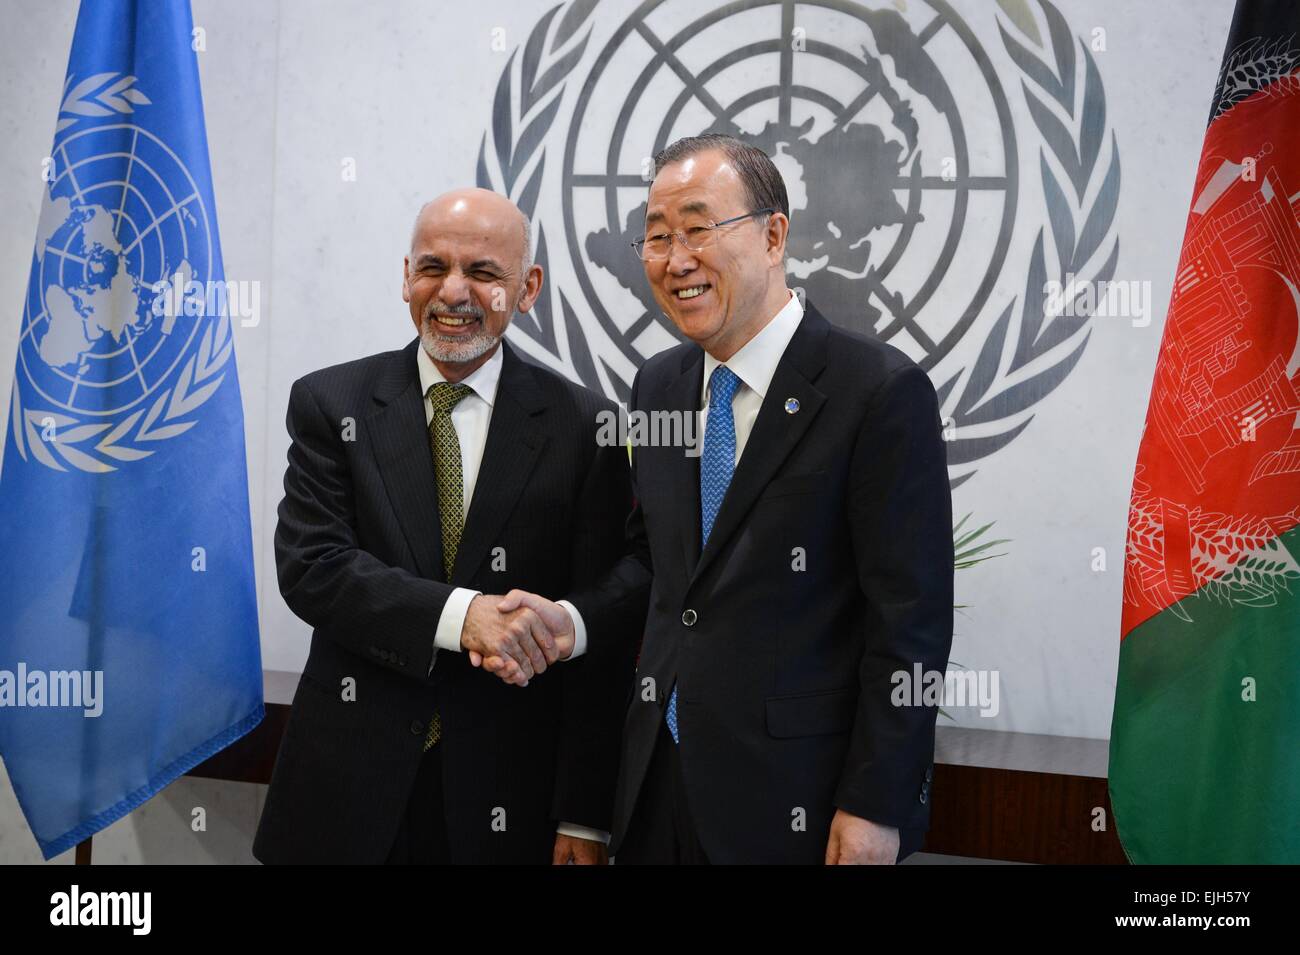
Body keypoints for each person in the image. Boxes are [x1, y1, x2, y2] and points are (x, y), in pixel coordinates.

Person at [502, 134, 954, 864]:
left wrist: (875, 802)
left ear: (773, 235)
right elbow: (662, 565)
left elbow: (912, 624)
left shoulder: (877, 391)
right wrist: (576, 622)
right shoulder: (659, 385)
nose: (675, 259)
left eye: (698, 228)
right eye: (656, 236)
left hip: (795, 798)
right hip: (655, 785)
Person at [252, 188, 638, 864]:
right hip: (344, 794)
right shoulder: (330, 403)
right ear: (407, 276)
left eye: (484, 273)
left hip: (508, 805)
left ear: (527, 288)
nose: (453, 291)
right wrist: (466, 618)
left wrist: (585, 814)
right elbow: (313, 567)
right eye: (433, 267)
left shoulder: (588, 428)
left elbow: (598, 633)